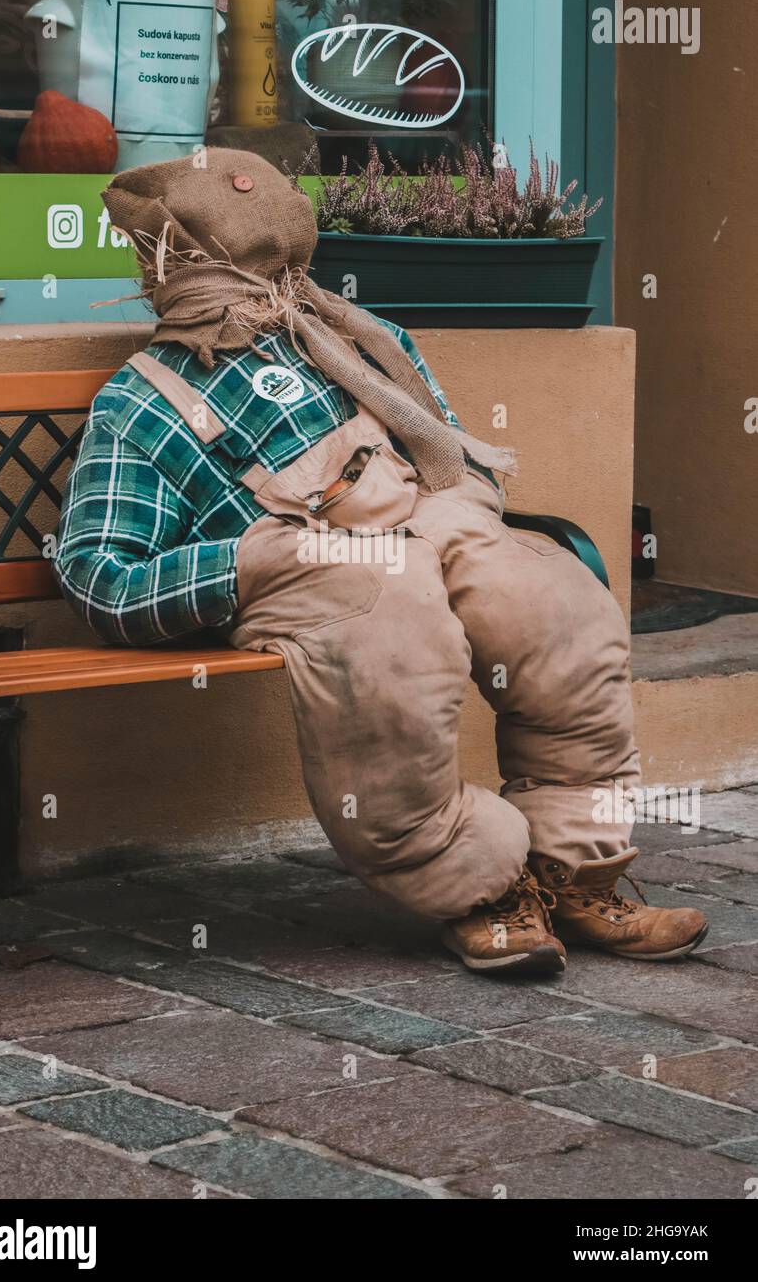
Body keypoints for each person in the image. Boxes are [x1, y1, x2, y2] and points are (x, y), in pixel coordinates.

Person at [55, 148, 708, 975]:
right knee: (392, 628)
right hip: (304, 571)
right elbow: (99, 580)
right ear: (169, 260)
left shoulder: (360, 342)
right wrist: (255, 559)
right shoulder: (140, 402)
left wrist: (462, 504)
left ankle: (575, 872)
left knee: (556, 607)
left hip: (426, 528)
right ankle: (477, 886)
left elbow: (447, 458)